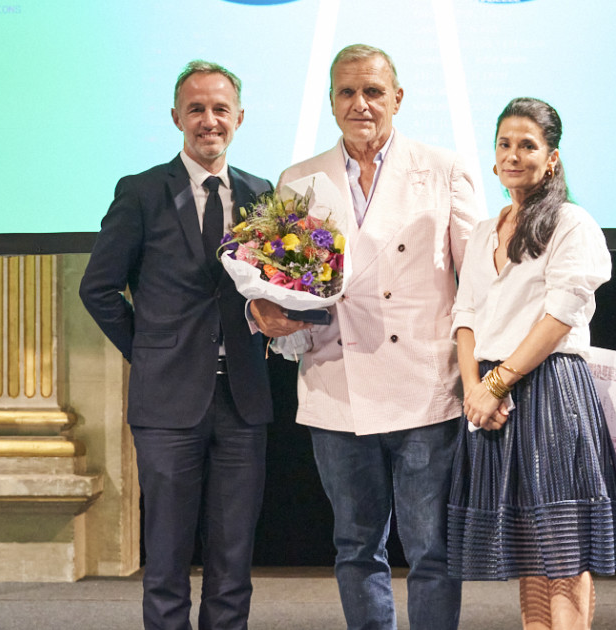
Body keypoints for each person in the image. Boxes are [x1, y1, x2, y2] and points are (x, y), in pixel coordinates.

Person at [250, 44, 484, 629]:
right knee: (356, 547)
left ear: (397, 99)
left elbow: (477, 283)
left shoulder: (444, 168)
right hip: (337, 385)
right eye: (348, 92)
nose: (361, 104)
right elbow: (281, 283)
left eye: (373, 92)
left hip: (427, 387)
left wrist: (482, 376)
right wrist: (265, 312)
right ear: (332, 101)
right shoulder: (299, 179)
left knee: (432, 548)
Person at [79, 60, 273, 630]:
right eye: (196, 109)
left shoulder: (262, 196)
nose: (208, 121)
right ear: (175, 118)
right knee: (165, 560)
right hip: (166, 406)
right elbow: (99, 288)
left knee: (234, 562)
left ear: (239, 118)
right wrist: (147, 350)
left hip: (244, 401)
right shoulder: (140, 192)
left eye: (219, 109)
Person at [446, 97, 616, 630]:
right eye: (504, 144)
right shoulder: (485, 230)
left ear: (551, 157)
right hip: (492, 394)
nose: (513, 155)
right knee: (531, 546)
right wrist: (473, 391)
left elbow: (559, 316)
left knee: (563, 547)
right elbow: (465, 317)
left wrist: (497, 383)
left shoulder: (573, 222)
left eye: (527, 145)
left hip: (550, 388)